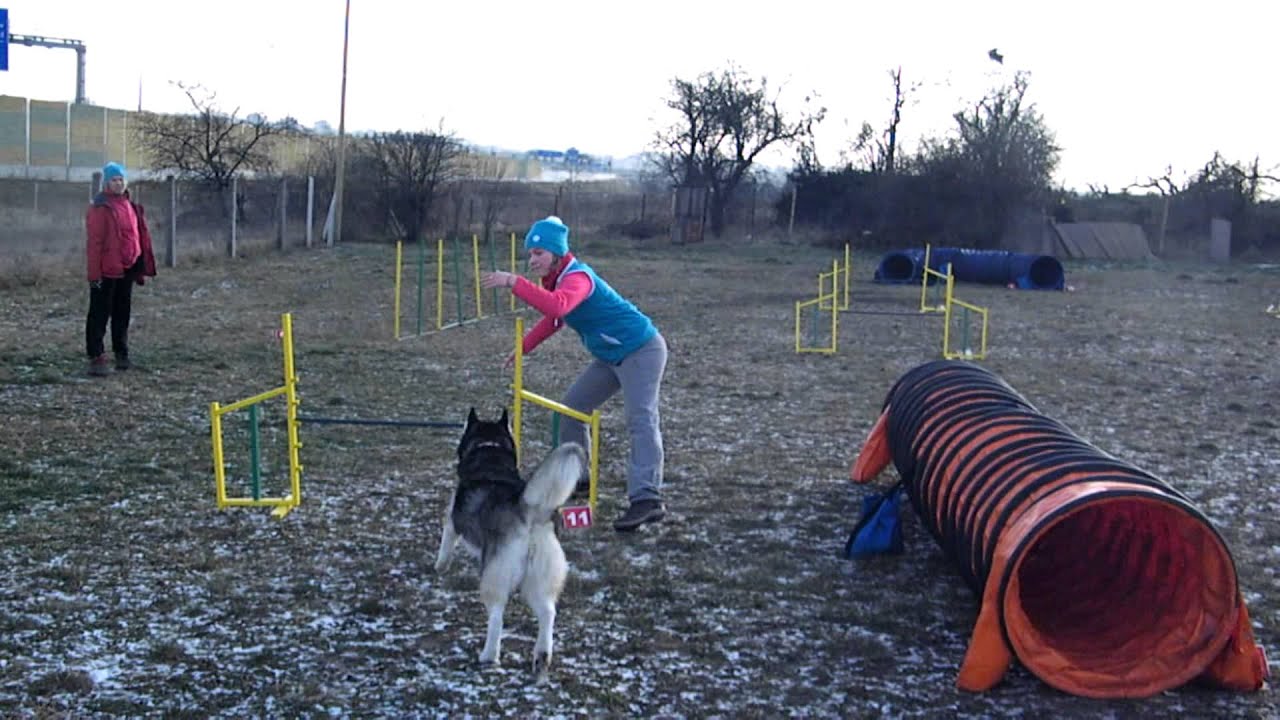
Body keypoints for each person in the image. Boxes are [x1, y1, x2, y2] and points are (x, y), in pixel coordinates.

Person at [481, 216, 668, 532]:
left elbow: (557, 308)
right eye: (530, 254)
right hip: (610, 356)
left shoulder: (577, 277)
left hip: (641, 350)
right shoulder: (555, 279)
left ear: (556, 252)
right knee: (571, 410)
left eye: (538, 253)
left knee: (641, 419)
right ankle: (580, 478)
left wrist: (514, 282)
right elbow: (555, 320)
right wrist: (523, 348)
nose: (532, 260)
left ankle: (647, 498)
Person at [84, 162, 156, 376]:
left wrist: (140, 265)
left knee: (122, 313)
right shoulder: (100, 207)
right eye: (114, 180)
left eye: (122, 179)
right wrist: (94, 275)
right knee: (99, 313)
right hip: (106, 270)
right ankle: (96, 357)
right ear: (107, 182)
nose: (119, 183)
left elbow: (137, 235)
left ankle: (122, 354)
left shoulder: (130, 205)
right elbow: (94, 243)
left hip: (128, 268)